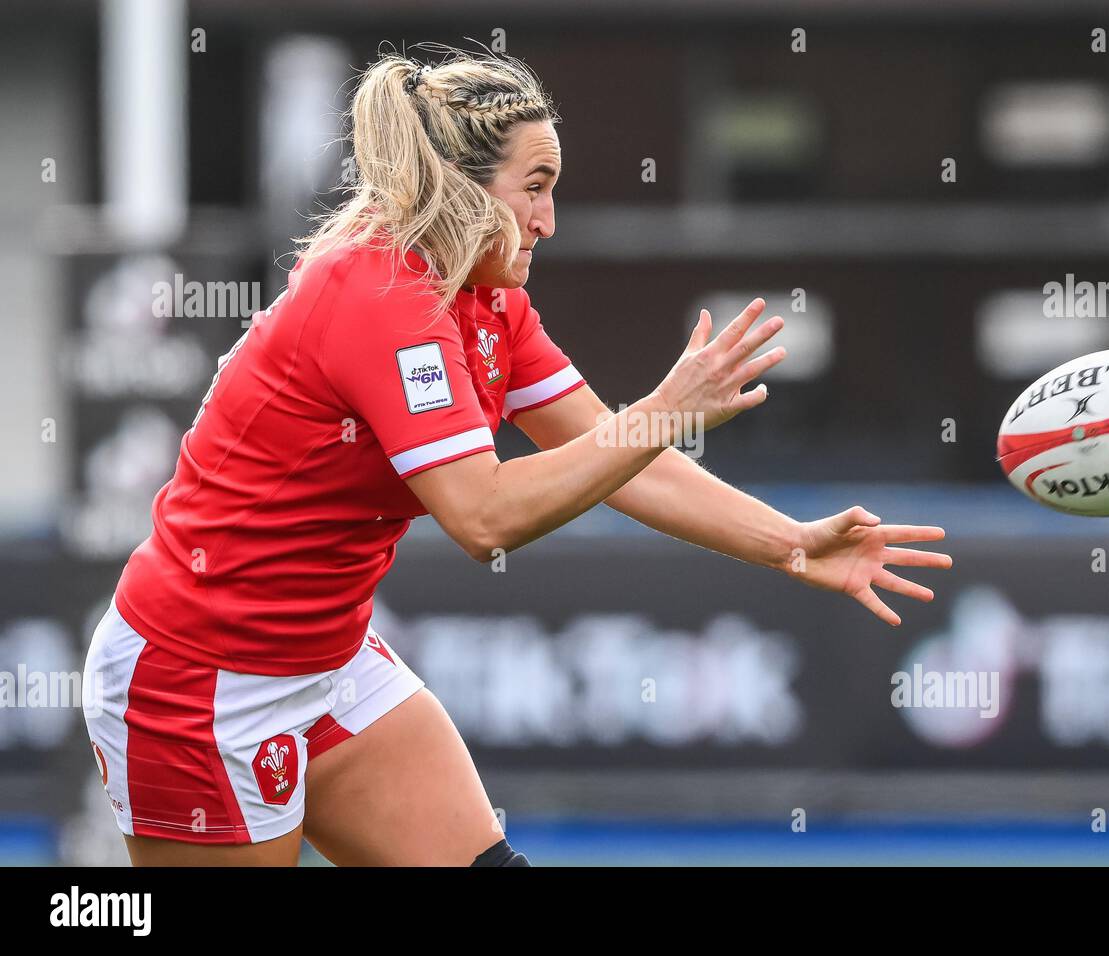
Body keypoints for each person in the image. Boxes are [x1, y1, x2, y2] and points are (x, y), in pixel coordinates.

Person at [81, 50, 951, 866]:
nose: (549, 218)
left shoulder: (488, 302)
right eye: (534, 187)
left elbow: (620, 459)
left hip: (328, 664)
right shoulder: (380, 293)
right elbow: (483, 514)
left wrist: (789, 544)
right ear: (461, 189)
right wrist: (659, 413)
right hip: (199, 681)